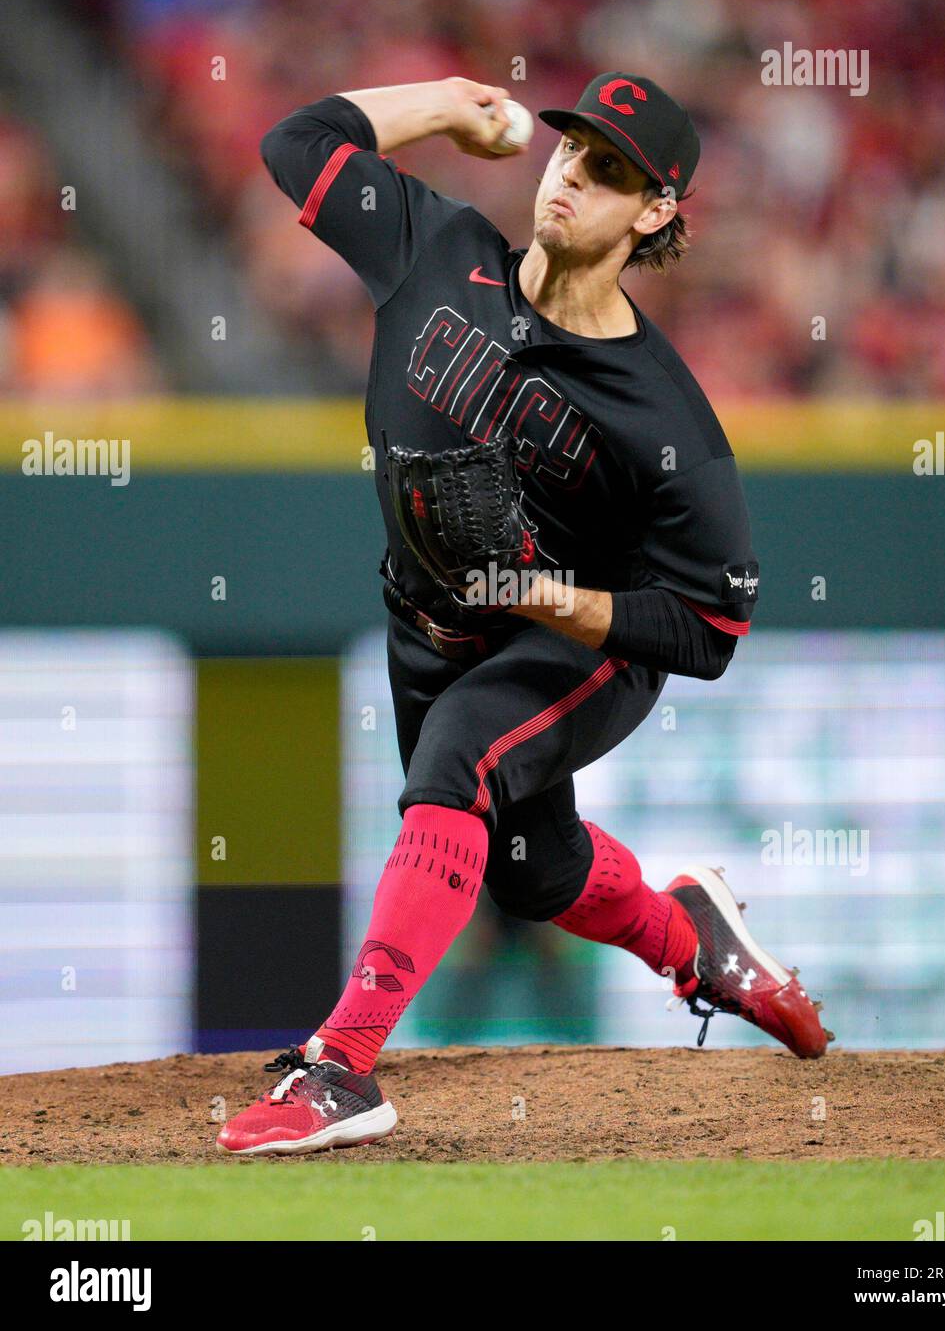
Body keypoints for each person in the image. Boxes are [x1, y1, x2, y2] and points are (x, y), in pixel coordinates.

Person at [217, 72, 830, 1157]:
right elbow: (295, 138)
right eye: (570, 153)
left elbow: (710, 628)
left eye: (609, 174)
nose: (570, 180)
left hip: (567, 645)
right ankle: (690, 939)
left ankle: (341, 1070)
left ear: (654, 214)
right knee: (532, 873)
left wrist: (553, 599)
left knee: (455, 762)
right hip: (428, 622)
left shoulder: (665, 419)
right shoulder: (436, 248)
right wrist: (449, 106)